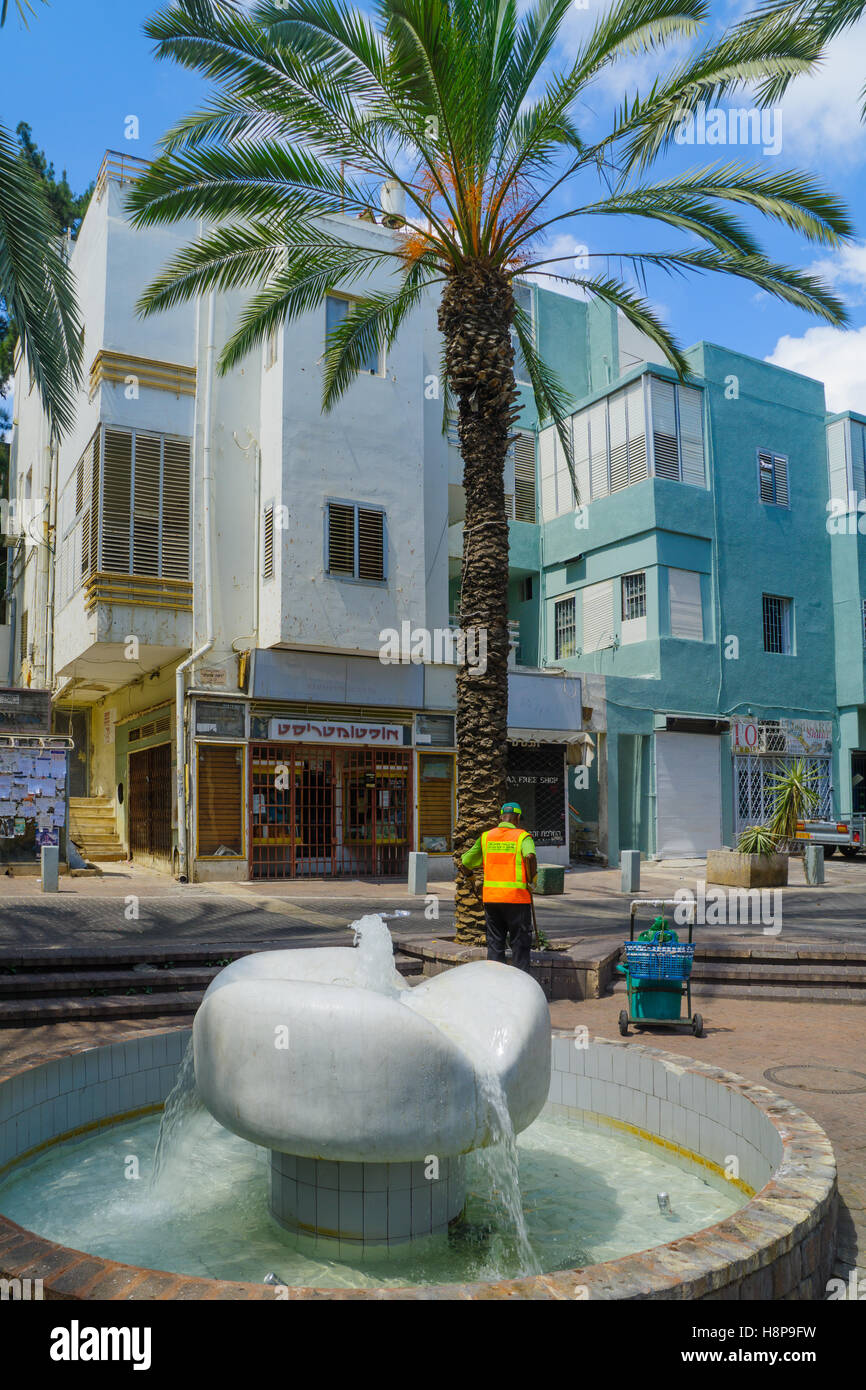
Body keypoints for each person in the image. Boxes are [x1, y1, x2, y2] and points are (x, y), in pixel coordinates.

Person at [459, 802, 537, 972]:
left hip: (492, 899)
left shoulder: (486, 837)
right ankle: (520, 985)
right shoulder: (523, 837)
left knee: (495, 944)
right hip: (517, 899)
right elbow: (530, 856)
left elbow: (465, 862)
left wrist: (471, 877)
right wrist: (532, 879)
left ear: (501, 817)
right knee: (520, 945)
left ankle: (495, 984)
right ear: (517, 818)